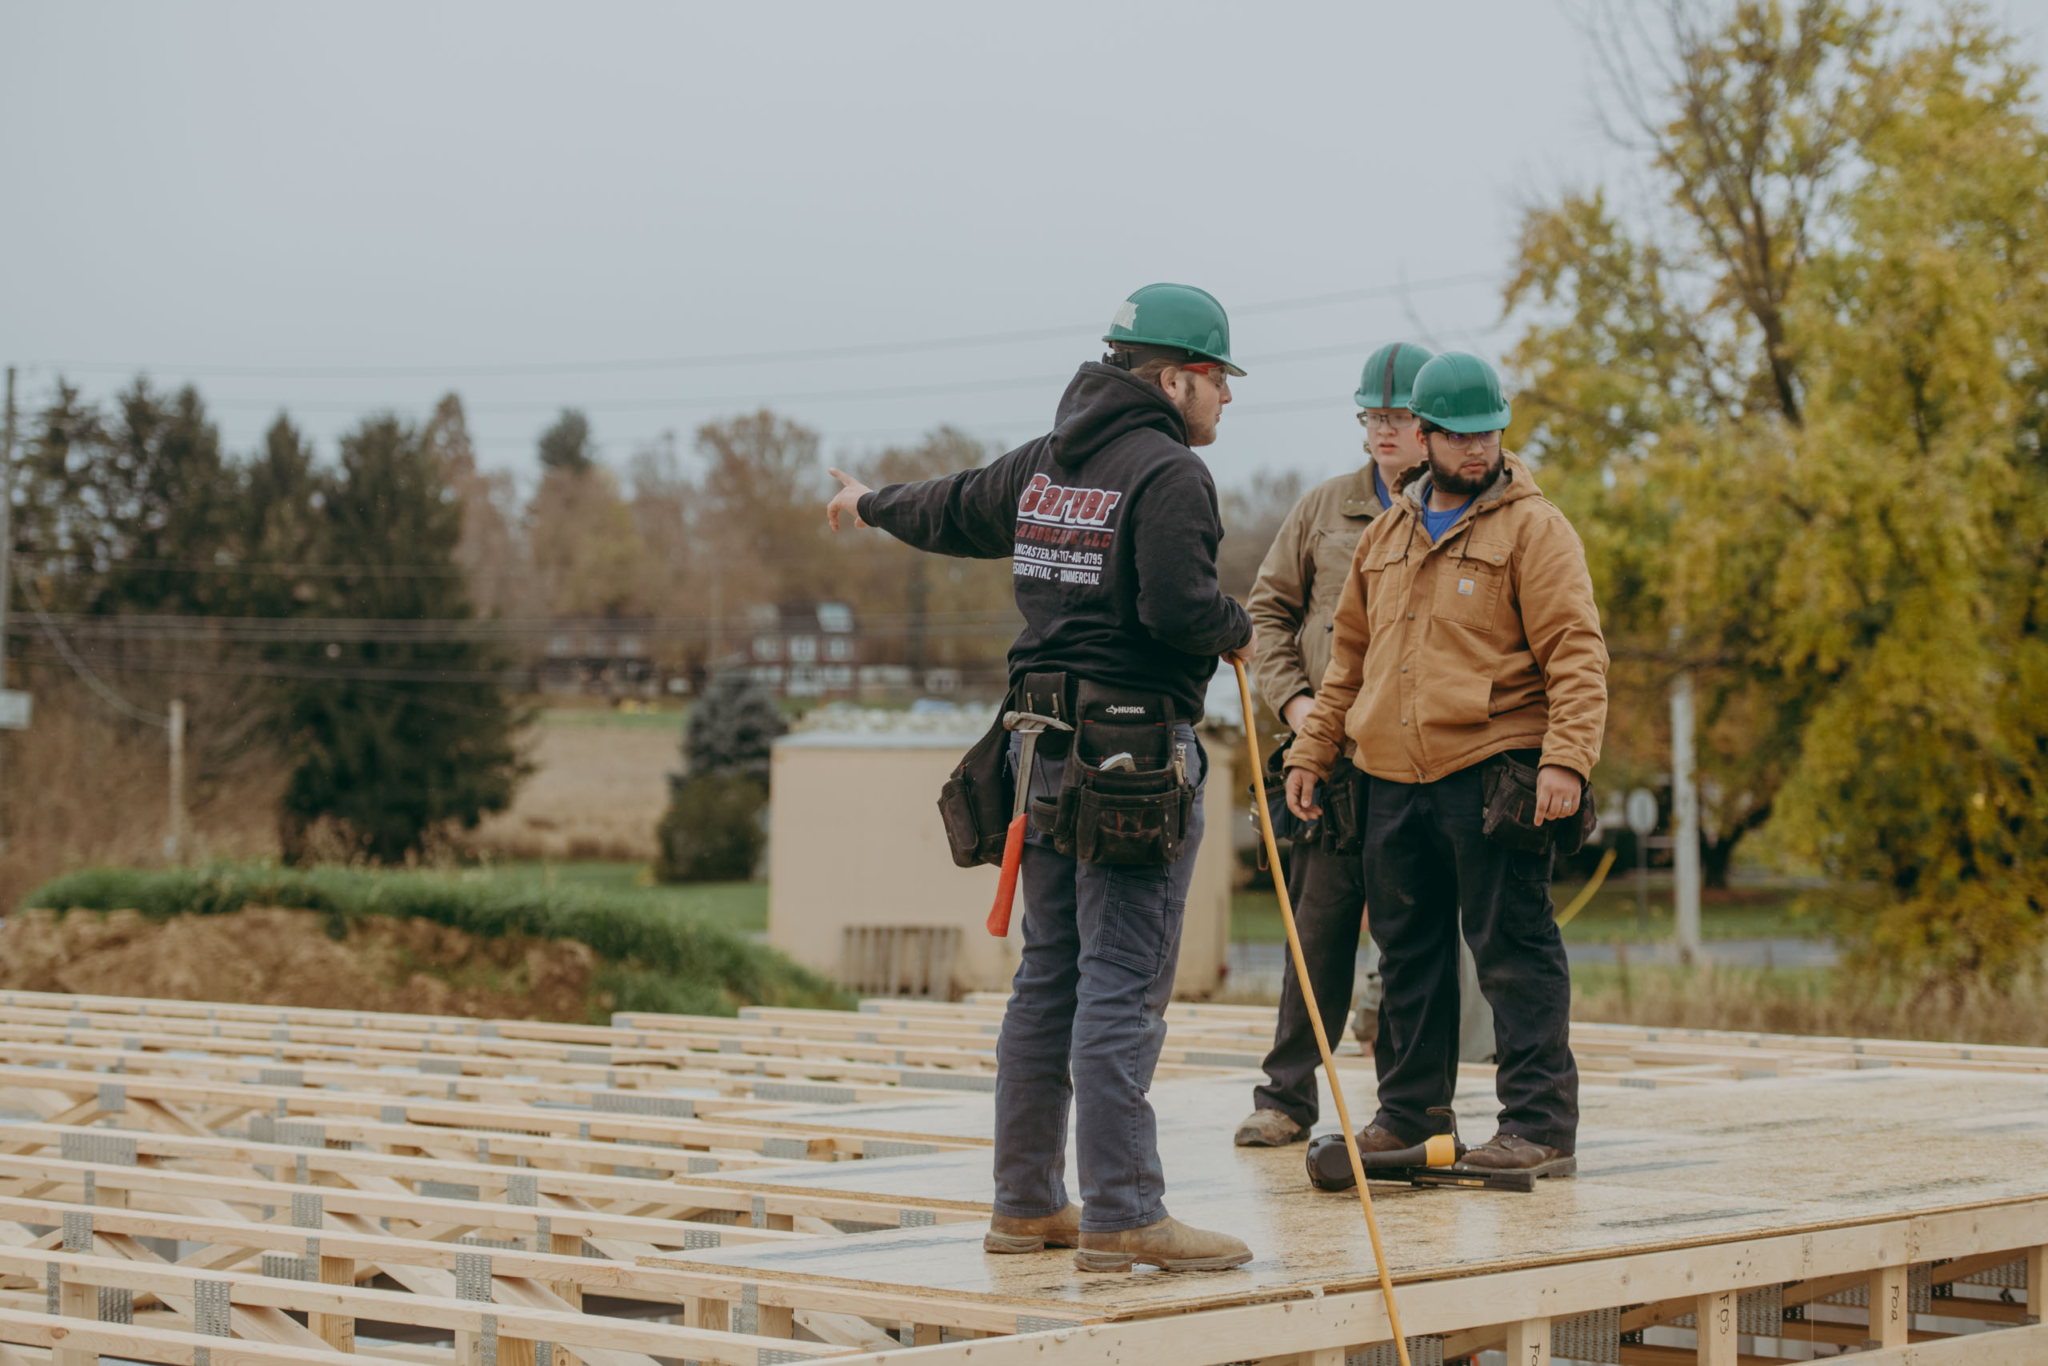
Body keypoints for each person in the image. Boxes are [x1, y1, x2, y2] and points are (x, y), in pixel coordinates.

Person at [826, 283, 1256, 1271]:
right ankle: (1123, 1213)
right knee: (1120, 979)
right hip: (1134, 759)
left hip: (1039, 750)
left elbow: (951, 506)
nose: (1225, 402)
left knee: (1049, 974)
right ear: (1177, 377)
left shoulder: (1048, 461)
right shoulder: (1169, 474)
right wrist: (1236, 630)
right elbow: (1179, 610)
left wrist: (866, 504)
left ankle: (1025, 1205)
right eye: (1219, 383)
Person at [1282, 352, 1607, 1176]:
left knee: (1512, 948)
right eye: (1459, 435)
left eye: (1489, 431)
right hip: (1392, 778)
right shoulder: (1385, 534)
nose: (1477, 448)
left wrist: (1566, 760)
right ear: (1422, 437)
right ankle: (1411, 1119)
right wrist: (1314, 751)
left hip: (1492, 768)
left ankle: (1538, 1127)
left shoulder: (1537, 530)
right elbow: (1347, 659)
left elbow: (1577, 653)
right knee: (1407, 955)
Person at [1233, 343, 1496, 1149]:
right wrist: (1299, 705)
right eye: (1372, 418)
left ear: (1430, 428)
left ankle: (1412, 1109)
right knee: (1317, 926)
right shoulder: (1322, 511)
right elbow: (1265, 615)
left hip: (1419, 762)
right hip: (1330, 758)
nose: (1383, 432)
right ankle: (1285, 1096)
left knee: (1417, 939)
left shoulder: (1469, 512)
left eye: (1397, 419)